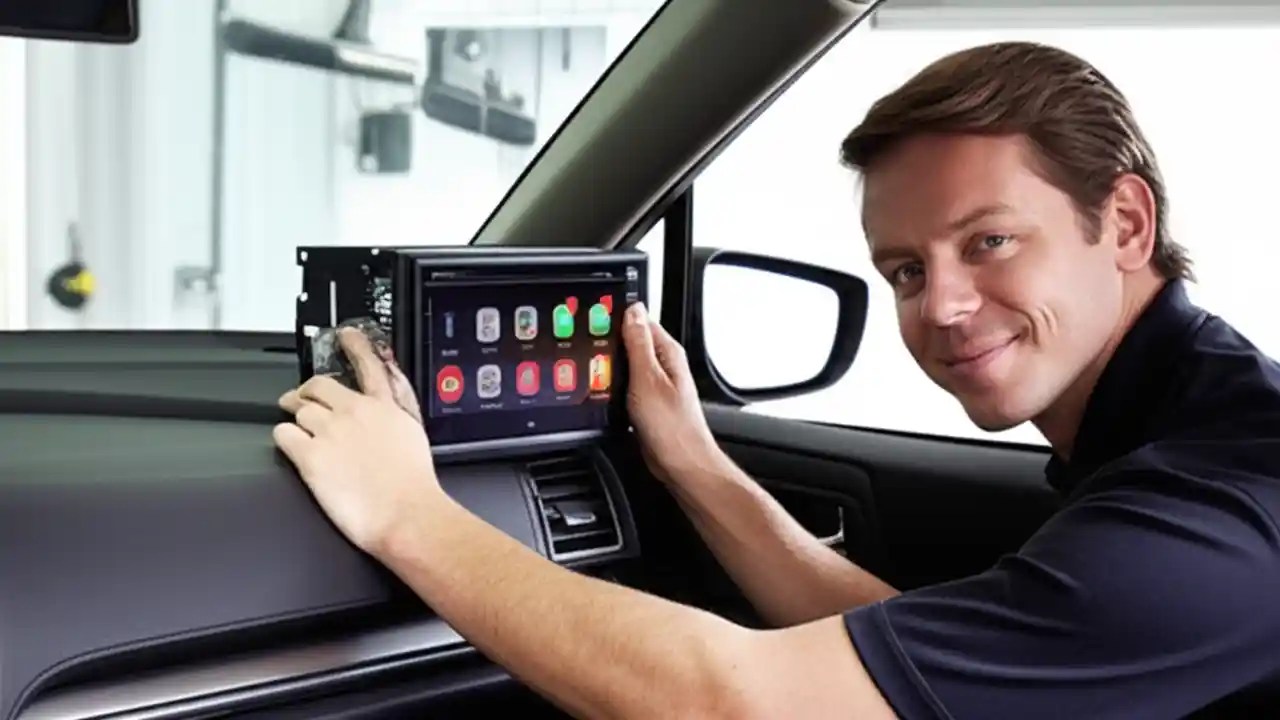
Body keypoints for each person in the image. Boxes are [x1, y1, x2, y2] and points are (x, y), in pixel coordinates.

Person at [273, 41, 1280, 719]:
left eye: (989, 241)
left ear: (1126, 225)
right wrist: (695, 469)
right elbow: (916, 668)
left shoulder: (1211, 517)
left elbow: (740, 701)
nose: (940, 305)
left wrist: (405, 512)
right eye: (904, 271)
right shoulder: (1176, 428)